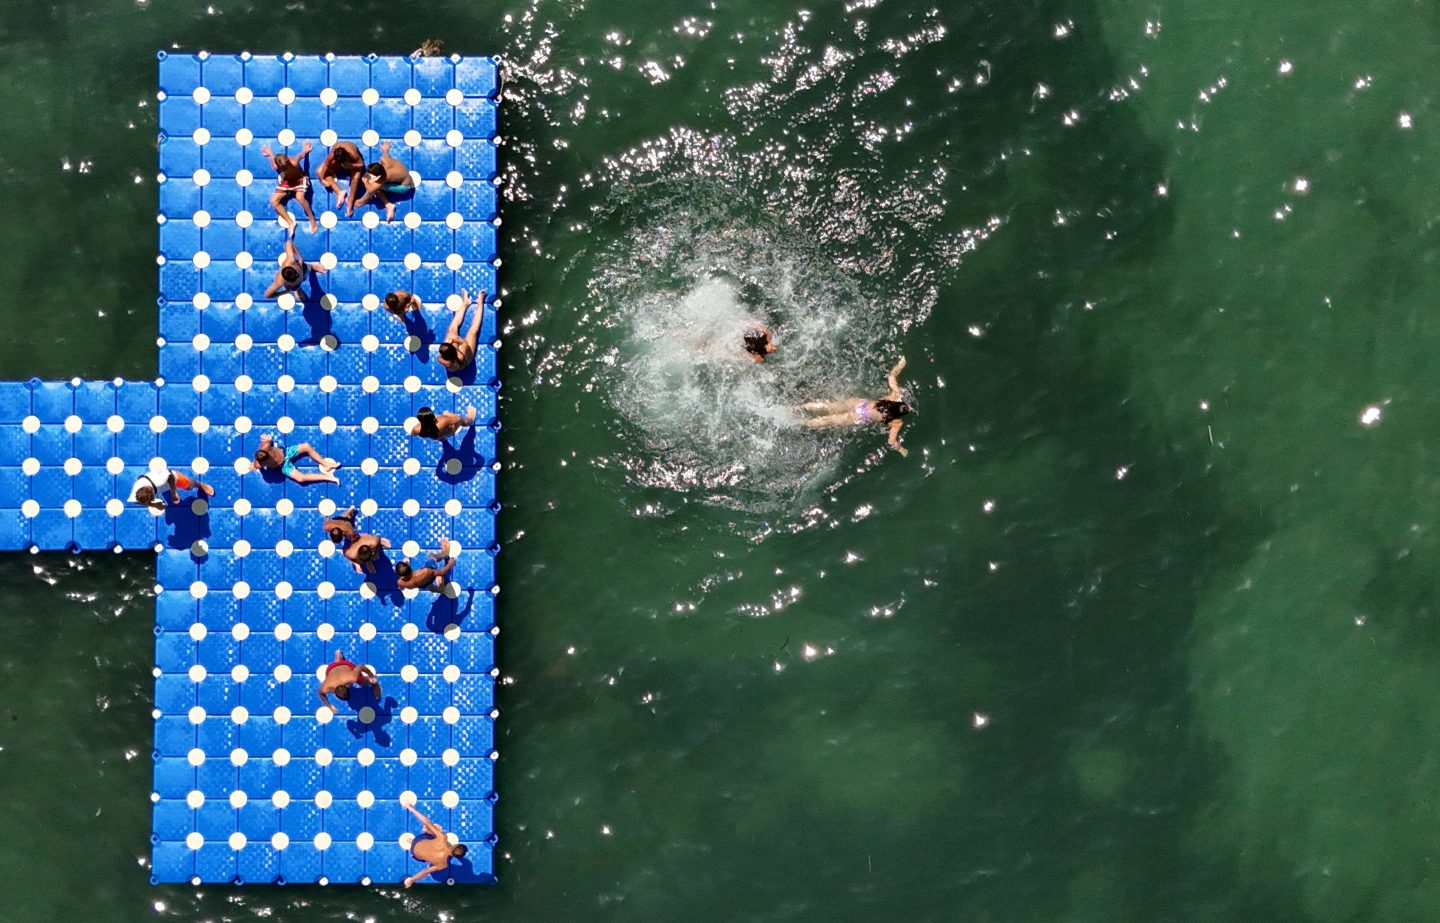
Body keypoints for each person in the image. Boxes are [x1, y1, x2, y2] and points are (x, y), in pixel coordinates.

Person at [798, 357, 912, 457]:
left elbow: (891, 377)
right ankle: (800, 423)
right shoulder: (897, 422)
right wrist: (901, 449)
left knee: (828, 406)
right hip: (859, 416)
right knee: (827, 421)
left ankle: (799, 407)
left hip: (860, 403)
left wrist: (900, 365)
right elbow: (891, 442)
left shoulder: (894, 397)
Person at [401, 800, 468, 888]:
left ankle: (425, 831)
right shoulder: (443, 864)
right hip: (414, 853)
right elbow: (425, 872)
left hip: (418, 840)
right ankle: (418, 855)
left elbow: (426, 822)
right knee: (430, 859)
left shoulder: (442, 838)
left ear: (455, 845)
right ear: (455, 857)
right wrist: (411, 880)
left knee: (436, 828)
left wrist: (411, 808)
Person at [261, 141, 318, 235]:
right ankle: (291, 222)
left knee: (300, 198)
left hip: (299, 180)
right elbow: (273, 163)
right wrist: (270, 154)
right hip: (287, 182)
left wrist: (306, 150)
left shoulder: (294, 161)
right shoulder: (276, 165)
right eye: (283, 167)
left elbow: (302, 155)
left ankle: (312, 219)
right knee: (273, 201)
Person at [350, 140, 414, 222]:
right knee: (374, 184)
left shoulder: (383, 179)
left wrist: (365, 182)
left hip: (405, 186)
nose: (369, 176)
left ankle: (389, 205)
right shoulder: (384, 160)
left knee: (377, 189)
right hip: (406, 176)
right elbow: (386, 154)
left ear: (379, 176)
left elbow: (370, 191)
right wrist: (385, 150)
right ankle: (388, 203)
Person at [248, 433, 341, 484]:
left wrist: (269, 438)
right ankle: (329, 478)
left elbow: (268, 439)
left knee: (306, 446)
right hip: (283, 466)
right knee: (301, 478)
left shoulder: (265, 446)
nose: (271, 457)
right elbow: (264, 474)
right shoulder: (258, 464)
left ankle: (325, 464)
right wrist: (256, 467)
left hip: (285, 452)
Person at [128, 460, 215, 510]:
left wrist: (174, 492)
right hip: (159, 487)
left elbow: (170, 476)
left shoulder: (160, 481)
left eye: (150, 500)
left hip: (172, 478)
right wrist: (154, 505)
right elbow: (137, 502)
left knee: (188, 485)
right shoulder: (136, 490)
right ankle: (165, 491)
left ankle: (200, 485)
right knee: (165, 492)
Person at [262, 238, 328, 300]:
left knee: (307, 268)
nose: (298, 277)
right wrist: (285, 292)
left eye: (297, 276)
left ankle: (312, 266)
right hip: (293, 286)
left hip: (303, 269)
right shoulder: (279, 281)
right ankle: (297, 290)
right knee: (295, 287)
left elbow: (288, 242)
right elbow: (267, 295)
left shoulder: (291, 260)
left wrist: (300, 257)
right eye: (296, 279)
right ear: (286, 280)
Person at [437, 289, 485, 373]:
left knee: (452, 330)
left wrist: (449, 339)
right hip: (466, 359)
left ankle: (465, 303)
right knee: (473, 331)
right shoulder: (460, 356)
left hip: (453, 354)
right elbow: (464, 343)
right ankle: (480, 302)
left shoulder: (440, 359)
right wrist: (454, 340)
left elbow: (441, 354)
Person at [315, 139, 364, 211]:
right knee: (319, 171)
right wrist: (322, 178)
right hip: (340, 159)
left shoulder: (353, 154)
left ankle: (351, 200)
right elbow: (326, 164)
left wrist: (351, 166)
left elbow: (361, 165)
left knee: (356, 175)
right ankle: (339, 192)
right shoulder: (333, 154)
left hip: (352, 163)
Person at [411, 405, 477, 441]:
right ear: (434, 417)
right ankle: (471, 419)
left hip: (434, 436)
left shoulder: (417, 428)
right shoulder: (443, 421)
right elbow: (459, 419)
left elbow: (413, 434)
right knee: (462, 420)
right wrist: (448, 414)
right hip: (447, 432)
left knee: (439, 437)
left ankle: (442, 439)